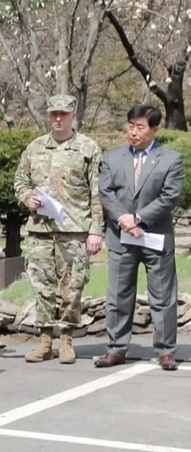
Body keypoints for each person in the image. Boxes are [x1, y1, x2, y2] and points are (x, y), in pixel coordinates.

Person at [13, 94, 104, 364]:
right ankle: (44, 341)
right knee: (41, 286)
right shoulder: (35, 147)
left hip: (74, 229)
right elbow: (20, 181)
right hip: (39, 230)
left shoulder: (88, 148)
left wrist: (96, 230)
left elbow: (98, 193)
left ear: (73, 116)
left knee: (72, 287)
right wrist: (27, 197)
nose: (57, 118)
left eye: (63, 114)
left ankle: (66, 339)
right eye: (53, 113)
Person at [95, 105, 184, 370]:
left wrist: (139, 218)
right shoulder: (112, 157)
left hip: (155, 237)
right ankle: (116, 348)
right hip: (121, 236)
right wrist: (125, 220)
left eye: (140, 127)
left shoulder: (171, 159)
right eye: (131, 126)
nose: (133, 132)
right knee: (118, 295)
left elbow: (169, 196)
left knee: (163, 297)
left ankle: (166, 351)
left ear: (155, 129)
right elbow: (106, 192)